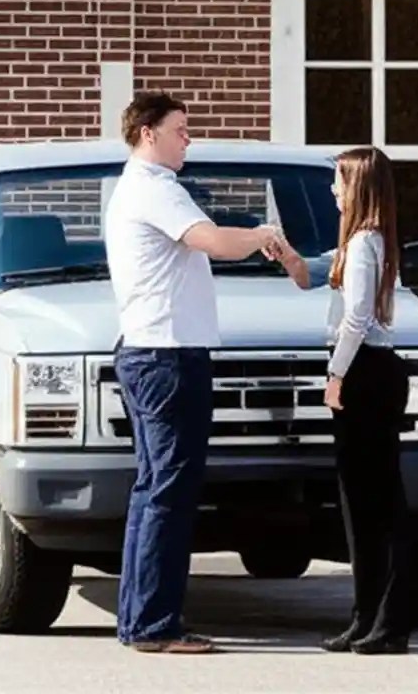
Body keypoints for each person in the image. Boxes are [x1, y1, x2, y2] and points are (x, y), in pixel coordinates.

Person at [102, 91, 285, 654]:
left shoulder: (138, 187)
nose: (189, 138)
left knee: (152, 490)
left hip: (150, 350)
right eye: (181, 129)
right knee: (168, 494)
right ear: (148, 133)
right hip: (167, 355)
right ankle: (154, 626)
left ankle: (139, 621)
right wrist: (262, 235)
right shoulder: (155, 189)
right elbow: (212, 242)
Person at [274, 145, 415, 655]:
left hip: (366, 373)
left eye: (338, 180)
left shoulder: (363, 243)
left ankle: (388, 623)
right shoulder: (364, 242)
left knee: (376, 505)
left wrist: (336, 376)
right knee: (365, 505)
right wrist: (287, 255)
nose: (333, 189)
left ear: (358, 186)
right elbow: (311, 275)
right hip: (372, 372)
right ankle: (367, 617)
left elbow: (356, 317)